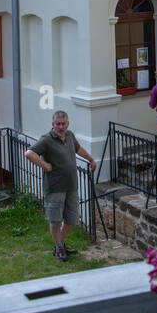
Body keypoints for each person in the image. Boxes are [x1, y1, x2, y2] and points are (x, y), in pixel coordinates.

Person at [24, 110, 96, 262]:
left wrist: (91, 159)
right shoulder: (46, 140)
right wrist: (45, 165)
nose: (61, 127)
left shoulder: (69, 136)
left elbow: (78, 148)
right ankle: (58, 248)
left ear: (67, 124)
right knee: (56, 220)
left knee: (71, 218)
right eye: (58, 124)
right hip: (55, 187)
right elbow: (29, 153)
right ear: (53, 124)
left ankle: (61, 243)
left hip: (71, 186)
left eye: (63, 124)